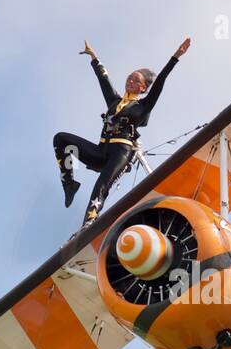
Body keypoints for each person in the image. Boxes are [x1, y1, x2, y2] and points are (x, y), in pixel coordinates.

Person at [53, 37, 191, 228]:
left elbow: (160, 81)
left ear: (143, 87)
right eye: (129, 77)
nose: (130, 80)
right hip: (101, 151)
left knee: (101, 186)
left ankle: (89, 222)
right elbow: (103, 79)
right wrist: (94, 57)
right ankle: (69, 184)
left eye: (136, 79)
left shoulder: (143, 105)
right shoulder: (114, 101)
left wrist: (175, 57)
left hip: (121, 153)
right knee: (61, 140)